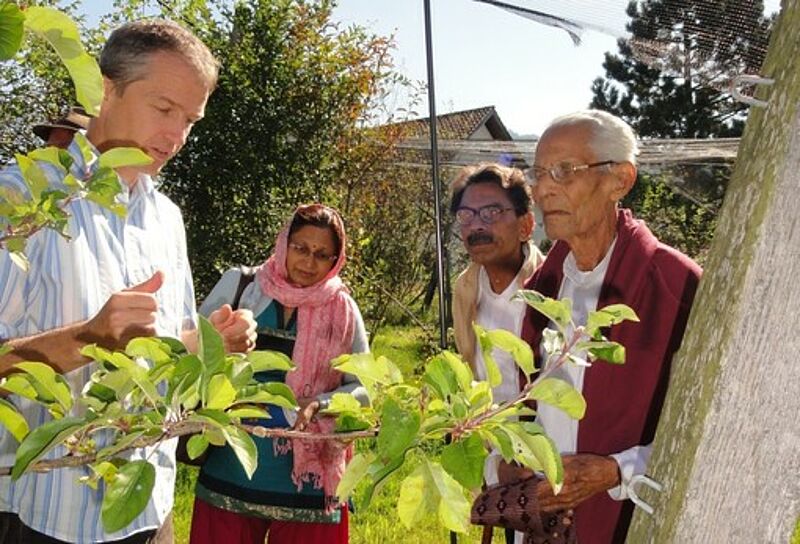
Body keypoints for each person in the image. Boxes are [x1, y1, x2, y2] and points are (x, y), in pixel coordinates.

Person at [0, 19, 256, 544]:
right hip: (44, 512)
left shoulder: (165, 218)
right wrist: (86, 340)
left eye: (190, 120)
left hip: (147, 505)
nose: (176, 136)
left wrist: (209, 345)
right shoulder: (21, 198)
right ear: (105, 89)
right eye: (164, 109)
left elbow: (160, 357)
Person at [500, 110, 702, 544]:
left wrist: (616, 471)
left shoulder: (673, 286)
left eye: (564, 171)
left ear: (621, 180)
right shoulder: (544, 286)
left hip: (628, 518)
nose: (544, 188)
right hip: (542, 522)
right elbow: (527, 402)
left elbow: (712, 428)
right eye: (538, 173)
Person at [189, 203, 369, 544]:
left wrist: (321, 403)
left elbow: (364, 389)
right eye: (300, 248)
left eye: (322, 254)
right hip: (232, 465)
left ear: (336, 260)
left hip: (309, 484)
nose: (308, 261)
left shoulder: (343, 309)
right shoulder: (242, 286)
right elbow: (194, 351)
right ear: (284, 242)